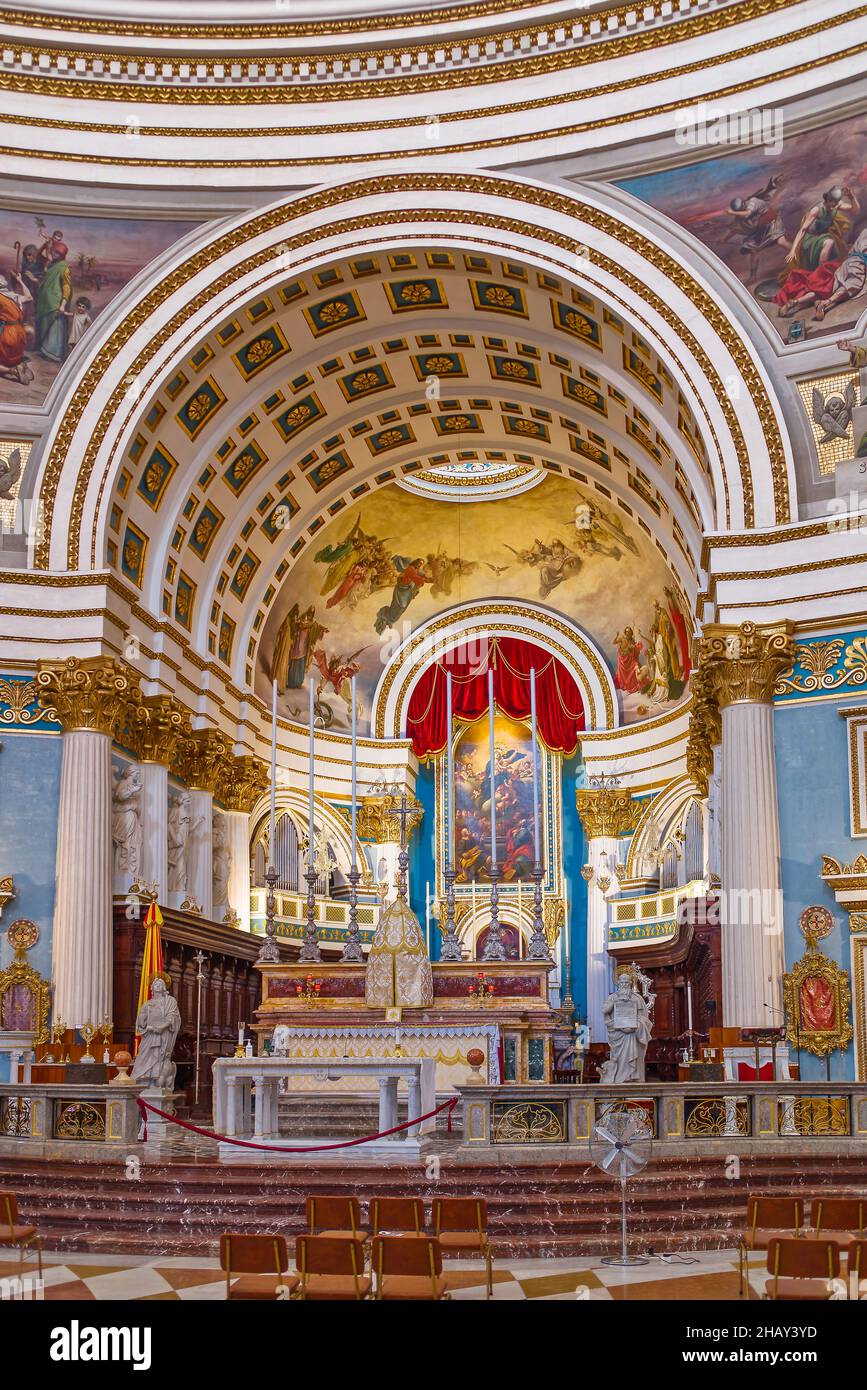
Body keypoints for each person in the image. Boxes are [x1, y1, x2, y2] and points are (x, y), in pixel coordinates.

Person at [600, 973, 653, 1083]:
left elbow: (643, 1017)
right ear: (618, 983)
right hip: (618, 1034)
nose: (624, 984)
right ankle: (619, 1079)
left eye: (626, 982)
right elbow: (605, 1011)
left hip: (633, 1034)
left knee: (634, 1057)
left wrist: (634, 1026)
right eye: (622, 982)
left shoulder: (637, 998)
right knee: (619, 1059)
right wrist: (615, 1002)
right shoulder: (612, 997)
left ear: (630, 983)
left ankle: (633, 1078)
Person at [131, 976, 181, 1090]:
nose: (157, 985)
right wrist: (144, 1021)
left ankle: (156, 1080)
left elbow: (172, 1017)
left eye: (160, 983)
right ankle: (143, 1077)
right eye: (155, 984)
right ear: (152, 988)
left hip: (164, 1034)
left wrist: (162, 1027)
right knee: (144, 1055)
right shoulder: (147, 1003)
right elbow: (140, 1022)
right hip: (149, 1034)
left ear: (164, 987)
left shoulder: (170, 1001)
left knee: (161, 1057)